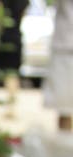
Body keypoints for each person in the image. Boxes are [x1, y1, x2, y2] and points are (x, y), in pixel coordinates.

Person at [45, 0, 73, 131]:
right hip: (64, 46)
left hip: (64, 45)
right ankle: (65, 134)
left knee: (65, 104)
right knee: (64, 106)